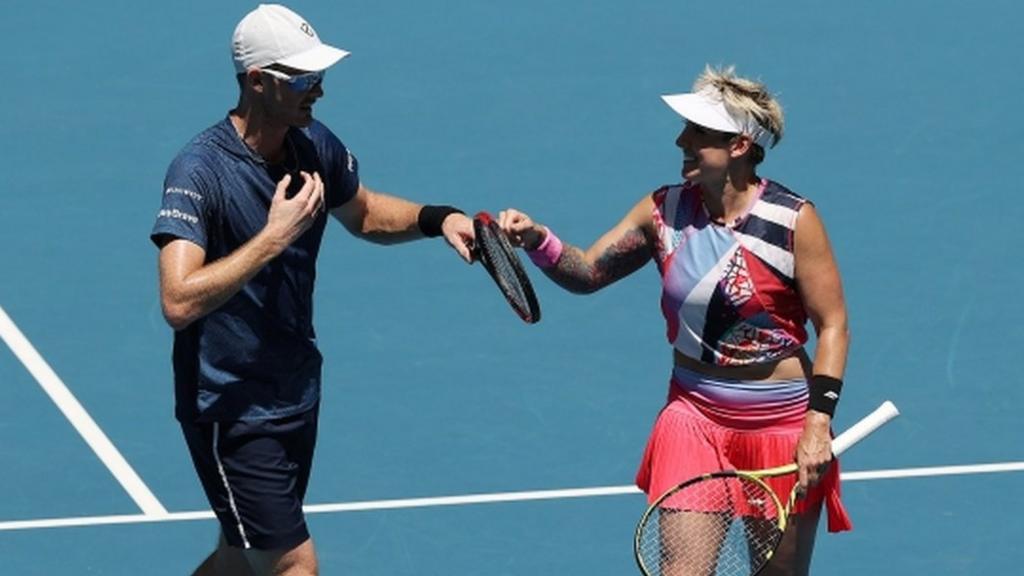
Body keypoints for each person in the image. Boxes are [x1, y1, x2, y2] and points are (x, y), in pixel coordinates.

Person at [150, 5, 474, 575]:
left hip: (295, 389)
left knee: (237, 556)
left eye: (318, 75)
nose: (317, 90)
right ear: (257, 81)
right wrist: (272, 239)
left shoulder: (312, 143)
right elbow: (178, 300)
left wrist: (437, 217)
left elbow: (366, 212)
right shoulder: (198, 171)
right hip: (231, 405)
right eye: (302, 78)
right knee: (293, 565)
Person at [499, 66, 851, 575]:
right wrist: (538, 239)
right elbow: (588, 272)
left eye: (698, 133)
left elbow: (834, 324)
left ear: (738, 145)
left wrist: (817, 423)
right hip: (695, 419)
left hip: (782, 428)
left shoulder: (793, 219)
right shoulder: (663, 210)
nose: (681, 140)